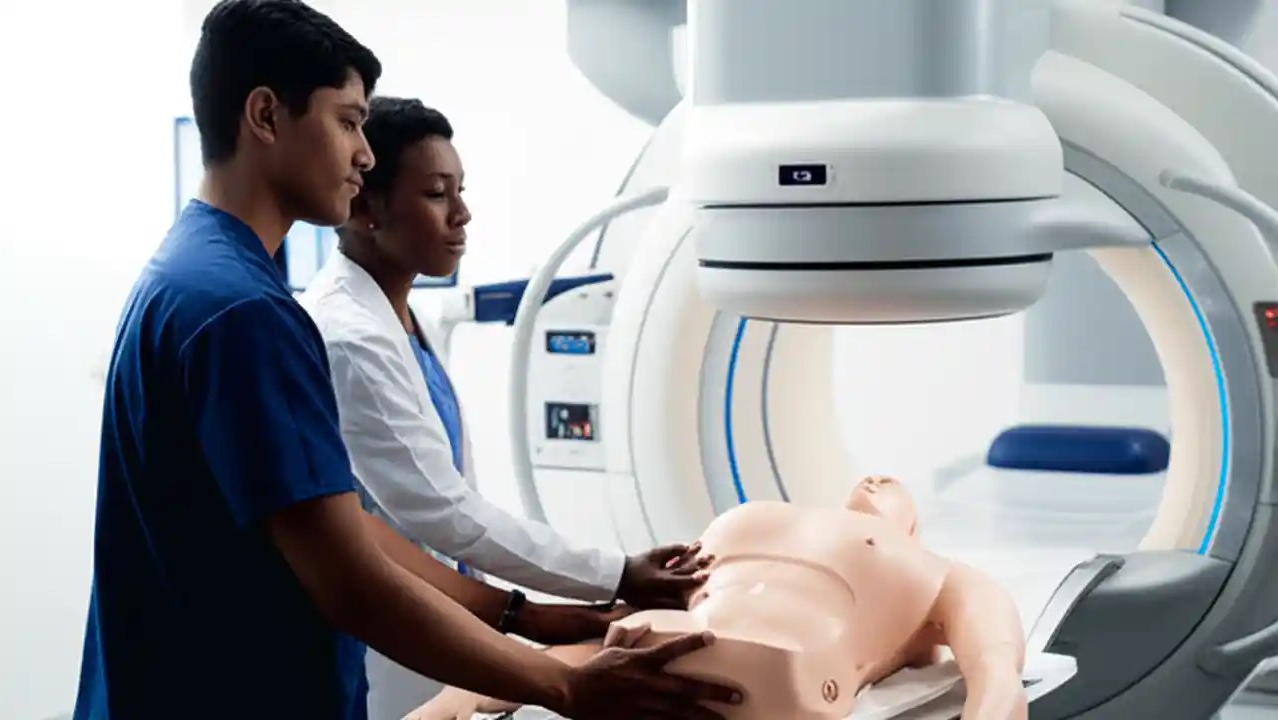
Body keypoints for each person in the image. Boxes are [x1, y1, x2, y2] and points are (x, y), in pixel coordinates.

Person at [71, 2, 740, 718]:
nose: (363, 154)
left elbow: (345, 530)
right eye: (348, 122)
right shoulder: (244, 313)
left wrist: (533, 618)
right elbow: (351, 581)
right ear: (266, 116)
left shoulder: (189, 277)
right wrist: (565, 684)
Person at [297, 97, 712, 716]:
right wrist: (615, 573)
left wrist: (541, 612)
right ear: (364, 209)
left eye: (460, 191)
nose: (462, 214)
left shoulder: (402, 315)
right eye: (436, 194)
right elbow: (442, 512)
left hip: (443, 607)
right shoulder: (348, 338)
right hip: (390, 638)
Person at [409, 475, 1030, 720]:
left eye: (891, 481)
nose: (875, 480)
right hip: (664, 651)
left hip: (785, 672)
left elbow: (997, 674)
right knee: (633, 645)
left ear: (913, 524)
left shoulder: (938, 574)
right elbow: (612, 641)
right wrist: (460, 697)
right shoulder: (762, 519)